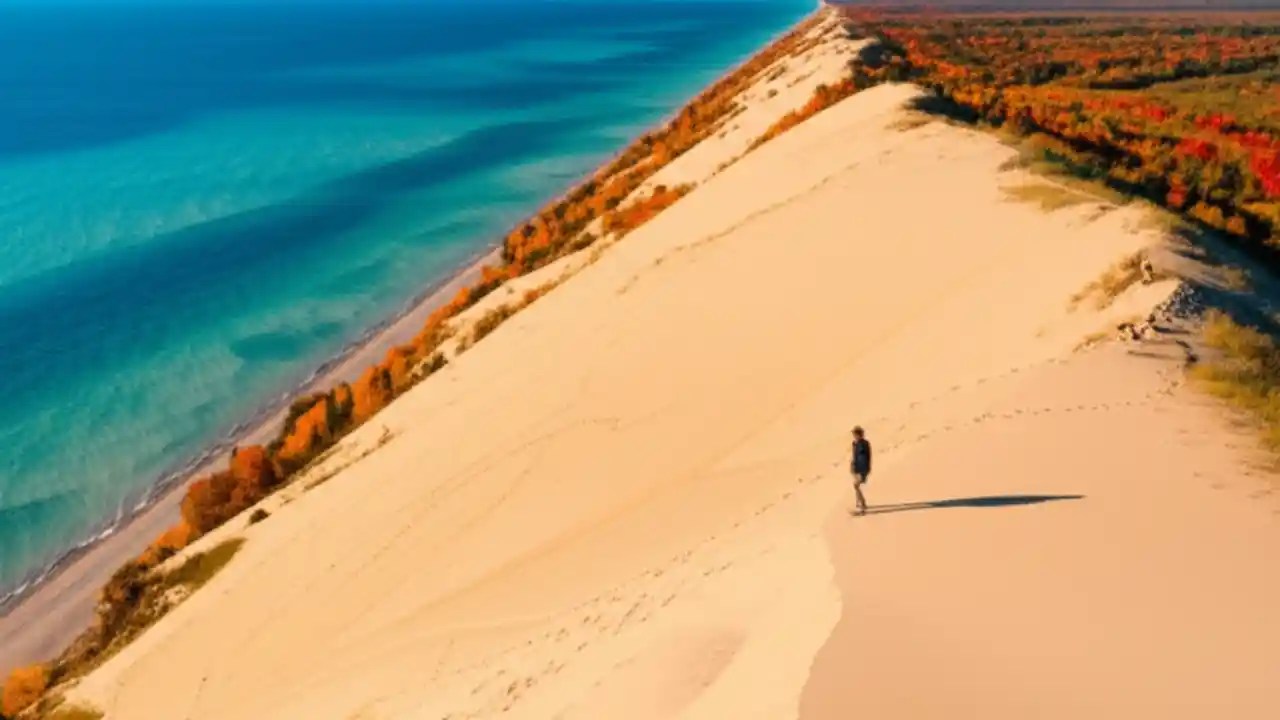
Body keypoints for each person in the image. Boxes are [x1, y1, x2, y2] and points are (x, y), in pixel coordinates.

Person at [851, 426, 872, 515]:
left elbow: (865, 458)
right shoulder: (856, 444)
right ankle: (859, 504)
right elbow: (855, 457)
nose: (854, 436)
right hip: (857, 469)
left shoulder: (863, 444)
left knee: (856, 485)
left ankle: (862, 505)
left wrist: (865, 471)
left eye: (855, 434)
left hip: (862, 469)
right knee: (856, 485)